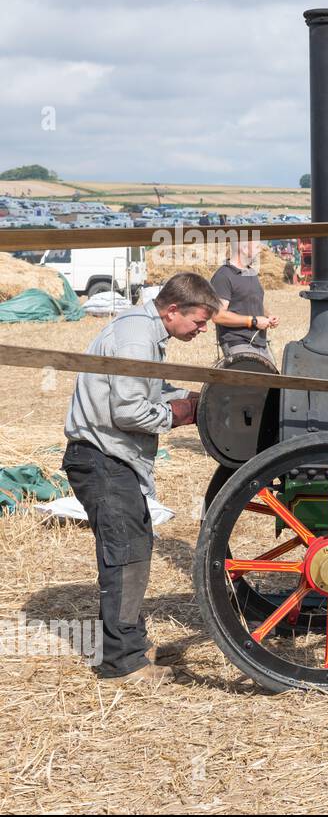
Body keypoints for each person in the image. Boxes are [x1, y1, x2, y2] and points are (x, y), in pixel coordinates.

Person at [62, 273, 220, 684]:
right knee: (125, 557)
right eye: (199, 322)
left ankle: (129, 642)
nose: (202, 330)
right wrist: (181, 415)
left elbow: (152, 390)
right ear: (172, 310)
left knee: (132, 552)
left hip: (110, 459)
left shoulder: (145, 332)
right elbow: (130, 412)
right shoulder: (137, 337)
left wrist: (197, 398)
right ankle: (121, 663)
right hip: (102, 459)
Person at [211, 239, 279, 363]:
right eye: (257, 246)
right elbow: (218, 315)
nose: (260, 250)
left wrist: (268, 316)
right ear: (244, 248)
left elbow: (251, 301)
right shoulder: (223, 276)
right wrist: (253, 321)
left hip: (260, 344)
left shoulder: (251, 272)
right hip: (238, 343)